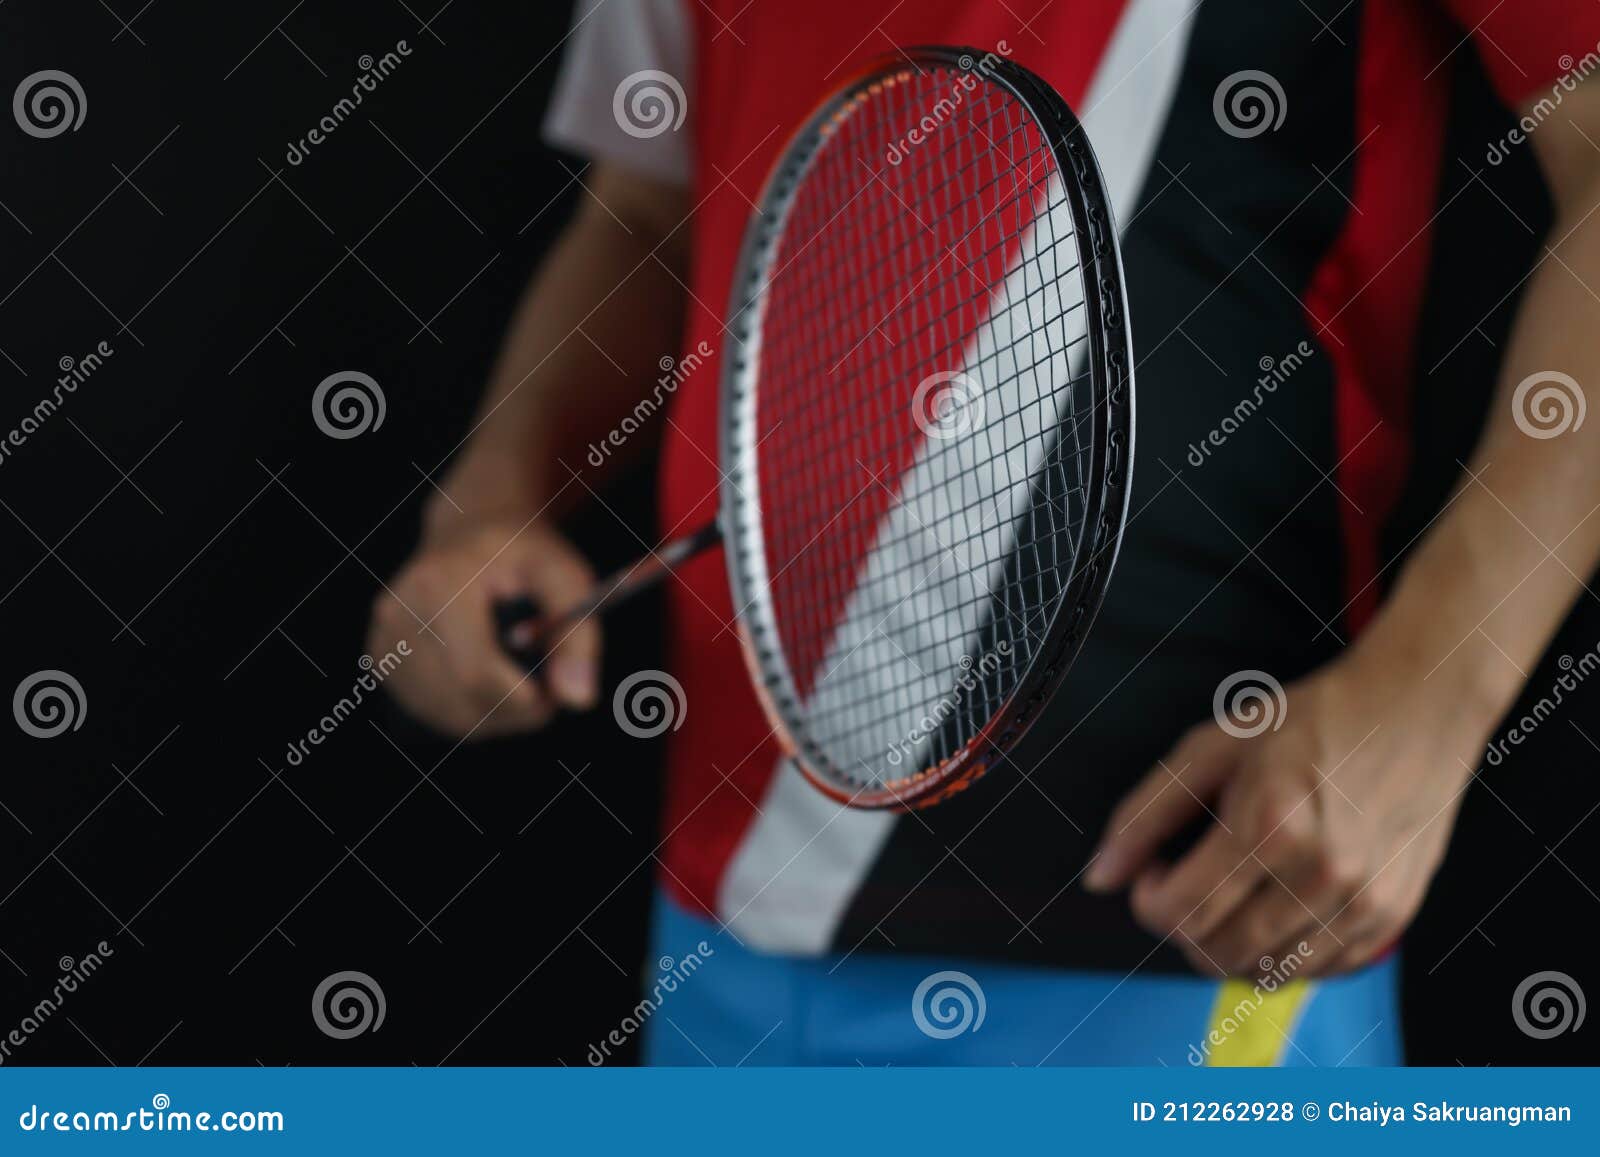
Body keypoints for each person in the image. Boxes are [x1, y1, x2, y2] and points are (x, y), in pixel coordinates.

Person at [369, 0, 1600, 1065]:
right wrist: (492, 508)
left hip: (1199, 912)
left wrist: (1435, 694)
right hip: (733, 911)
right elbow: (646, 208)